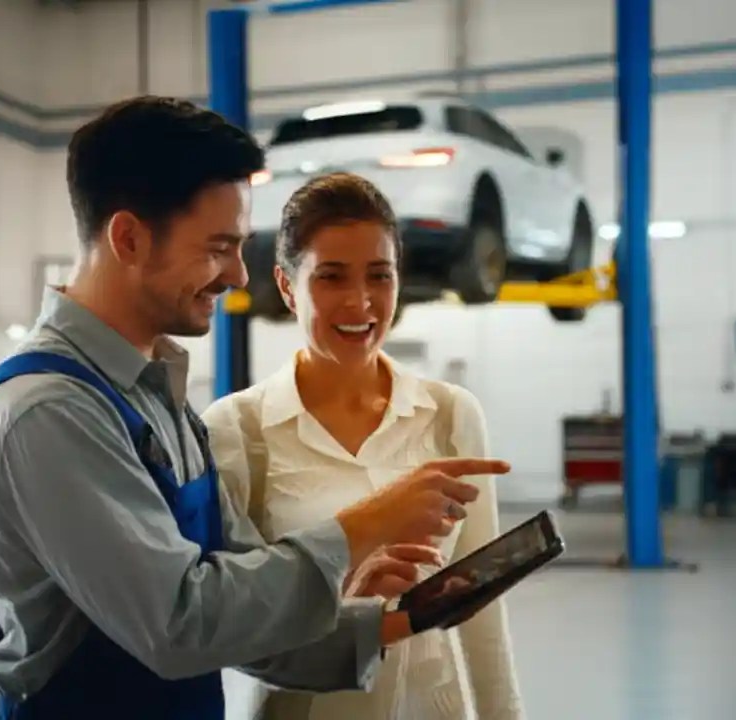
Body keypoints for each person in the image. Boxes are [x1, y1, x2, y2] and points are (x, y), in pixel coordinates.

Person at [0, 97, 511, 720]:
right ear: (129, 237)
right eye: (218, 247)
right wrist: (366, 525)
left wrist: (399, 620)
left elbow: (241, 607)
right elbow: (180, 622)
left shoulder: (158, 399)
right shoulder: (46, 413)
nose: (239, 276)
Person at [203, 173, 526, 720]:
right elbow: (230, 626)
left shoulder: (449, 416)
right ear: (286, 286)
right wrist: (345, 595)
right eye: (331, 277)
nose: (361, 302)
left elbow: (481, 613)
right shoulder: (239, 430)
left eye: (380, 275)